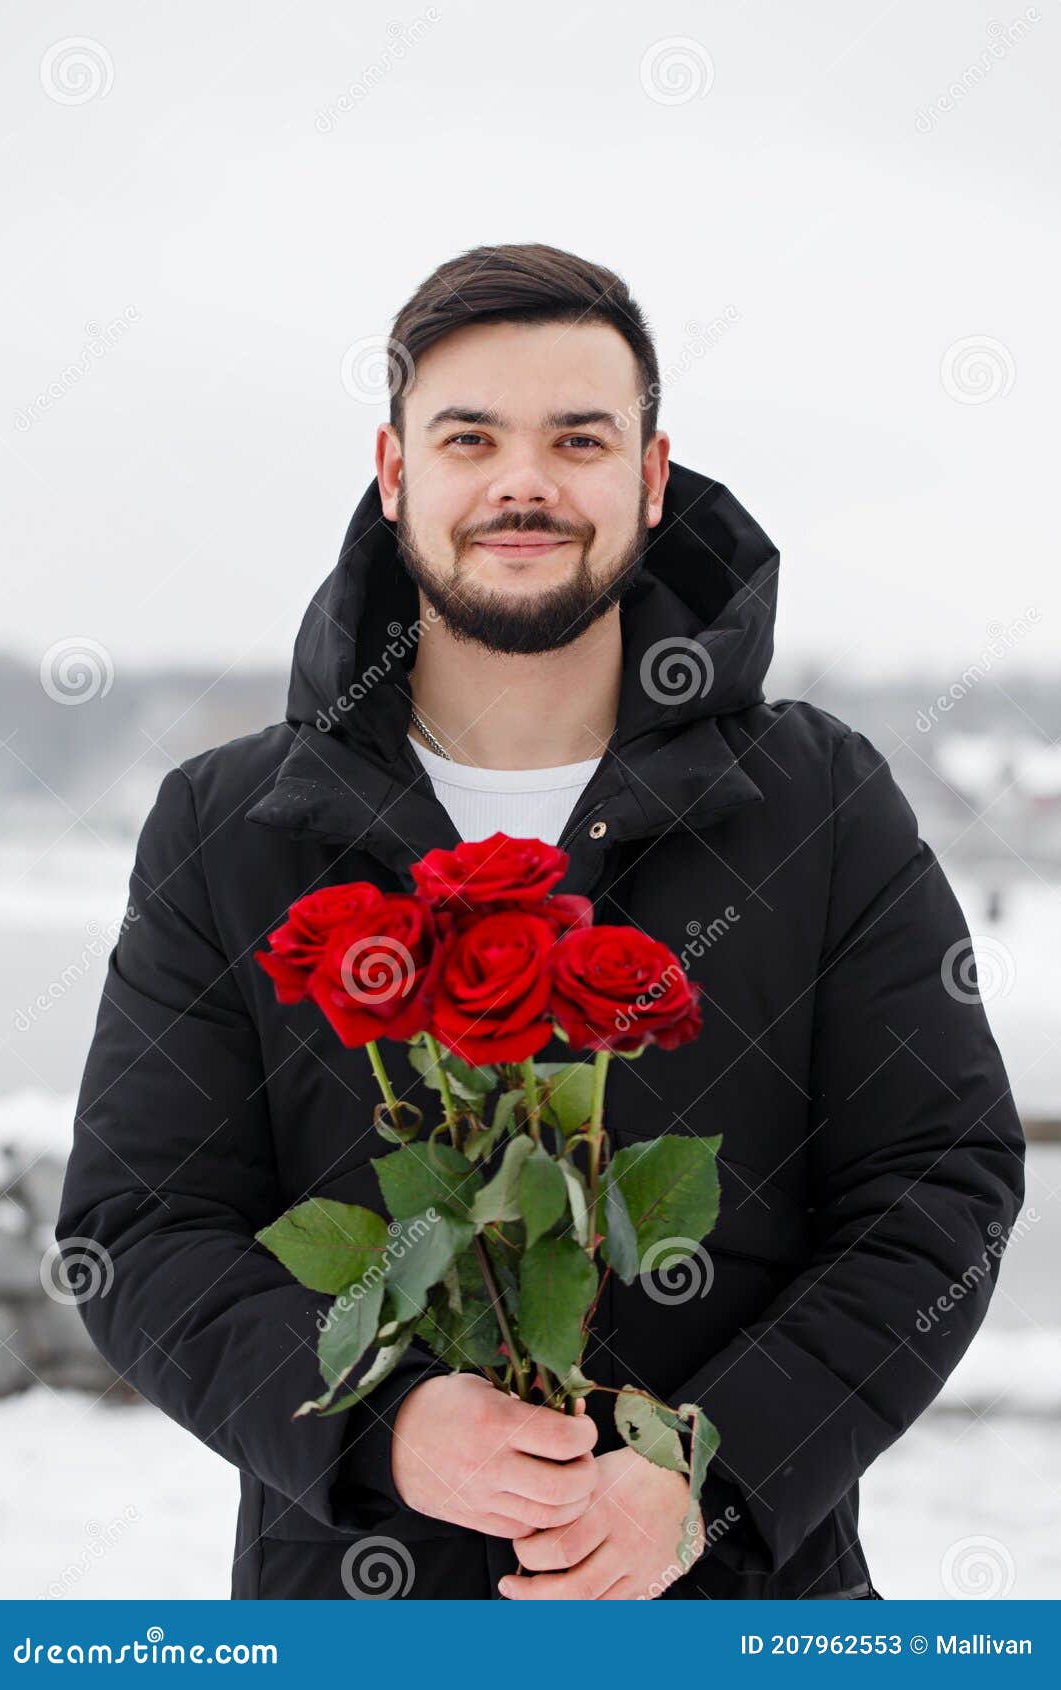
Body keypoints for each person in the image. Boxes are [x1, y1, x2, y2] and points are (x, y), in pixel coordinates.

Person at [57, 243, 1026, 1600]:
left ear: (651, 472)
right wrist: (379, 1426)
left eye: (579, 437)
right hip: (356, 1615)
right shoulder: (230, 828)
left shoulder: (819, 801)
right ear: (397, 474)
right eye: (471, 437)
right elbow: (144, 1226)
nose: (524, 481)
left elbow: (938, 1186)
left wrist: (708, 1470)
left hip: (743, 1614)